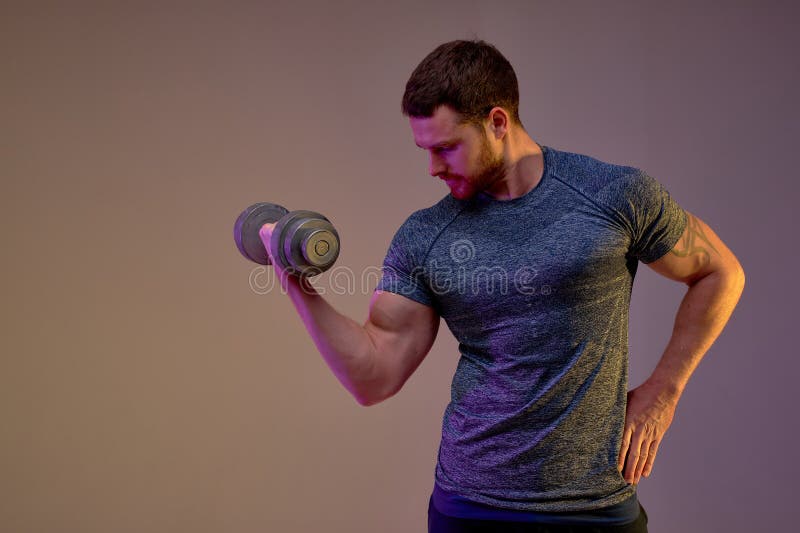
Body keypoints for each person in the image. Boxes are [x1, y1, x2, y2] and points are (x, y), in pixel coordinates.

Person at [258, 40, 745, 533]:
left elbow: (720, 272)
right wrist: (294, 280)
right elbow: (374, 376)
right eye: (425, 150)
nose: (433, 168)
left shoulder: (612, 195)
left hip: (596, 504)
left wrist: (665, 390)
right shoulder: (426, 235)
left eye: (446, 147)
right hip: (471, 505)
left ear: (497, 121)